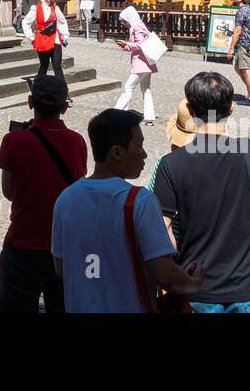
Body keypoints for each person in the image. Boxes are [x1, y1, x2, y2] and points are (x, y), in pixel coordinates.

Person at [51, 108, 204, 312]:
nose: (144, 154)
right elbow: (165, 274)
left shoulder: (66, 199)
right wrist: (194, 283)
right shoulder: (140, 202)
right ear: (117, 152)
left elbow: (62, 268)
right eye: (139, 145)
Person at [154, 72, 250, 313]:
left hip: (196, 288)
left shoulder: (171, 164)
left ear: (190, 110)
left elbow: (162, 230)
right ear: (232, 108)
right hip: (247, 288)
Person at [0, 75, 88, 313]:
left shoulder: (14, 140)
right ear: (64, 108)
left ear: (30, 102)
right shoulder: (77, 143)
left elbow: (9, 192)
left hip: (22, 244)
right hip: (63, 246)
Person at [112, 5, 157, 124]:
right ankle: (149, 116)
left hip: (141, 63)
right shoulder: (139, 26)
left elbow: (141, 44)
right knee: (145, 88)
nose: (125, 24)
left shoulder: (137, 27)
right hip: (147, 63)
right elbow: (136, 45)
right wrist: (125, 45)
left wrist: (127, 43)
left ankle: (117, 113)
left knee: (128, 87)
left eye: (125, 21)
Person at [22, 0, 69, 82]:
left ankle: (63, 91)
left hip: (55, 38)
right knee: (44, 65)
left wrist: (65, 35)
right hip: (42, 39)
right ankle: (37, 86)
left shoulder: (55, 8)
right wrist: (31, 37)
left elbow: (62, 21)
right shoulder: (35, 8)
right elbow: (25, 22)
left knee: (57, 66)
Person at [226, 0, 250, 104]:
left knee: (246, 71)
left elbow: (238, 31)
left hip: (244, 44)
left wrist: (230, 49)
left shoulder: (241, 11)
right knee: (238, 67)